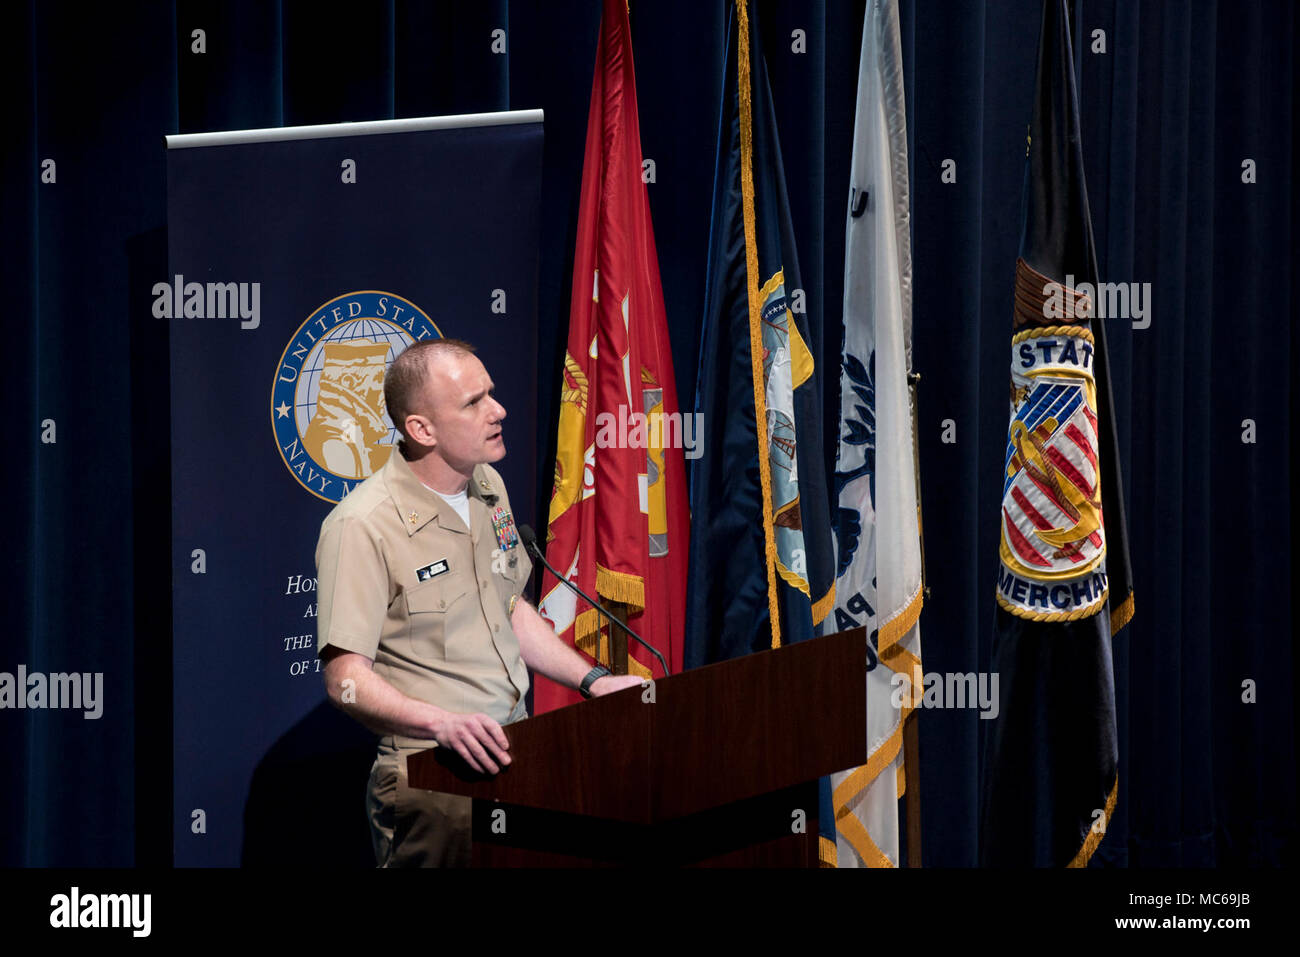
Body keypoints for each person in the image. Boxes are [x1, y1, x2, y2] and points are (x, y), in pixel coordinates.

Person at [315, 338, 642, 867]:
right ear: (422, 429)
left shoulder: (487, 485)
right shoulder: (362, 525)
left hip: (520, 752)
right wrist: (442, 723)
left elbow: (508, 607)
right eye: (473, 402)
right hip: (434, 779)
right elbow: (343, 679)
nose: (499, 410)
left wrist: (594, 681)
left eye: (490, 393)